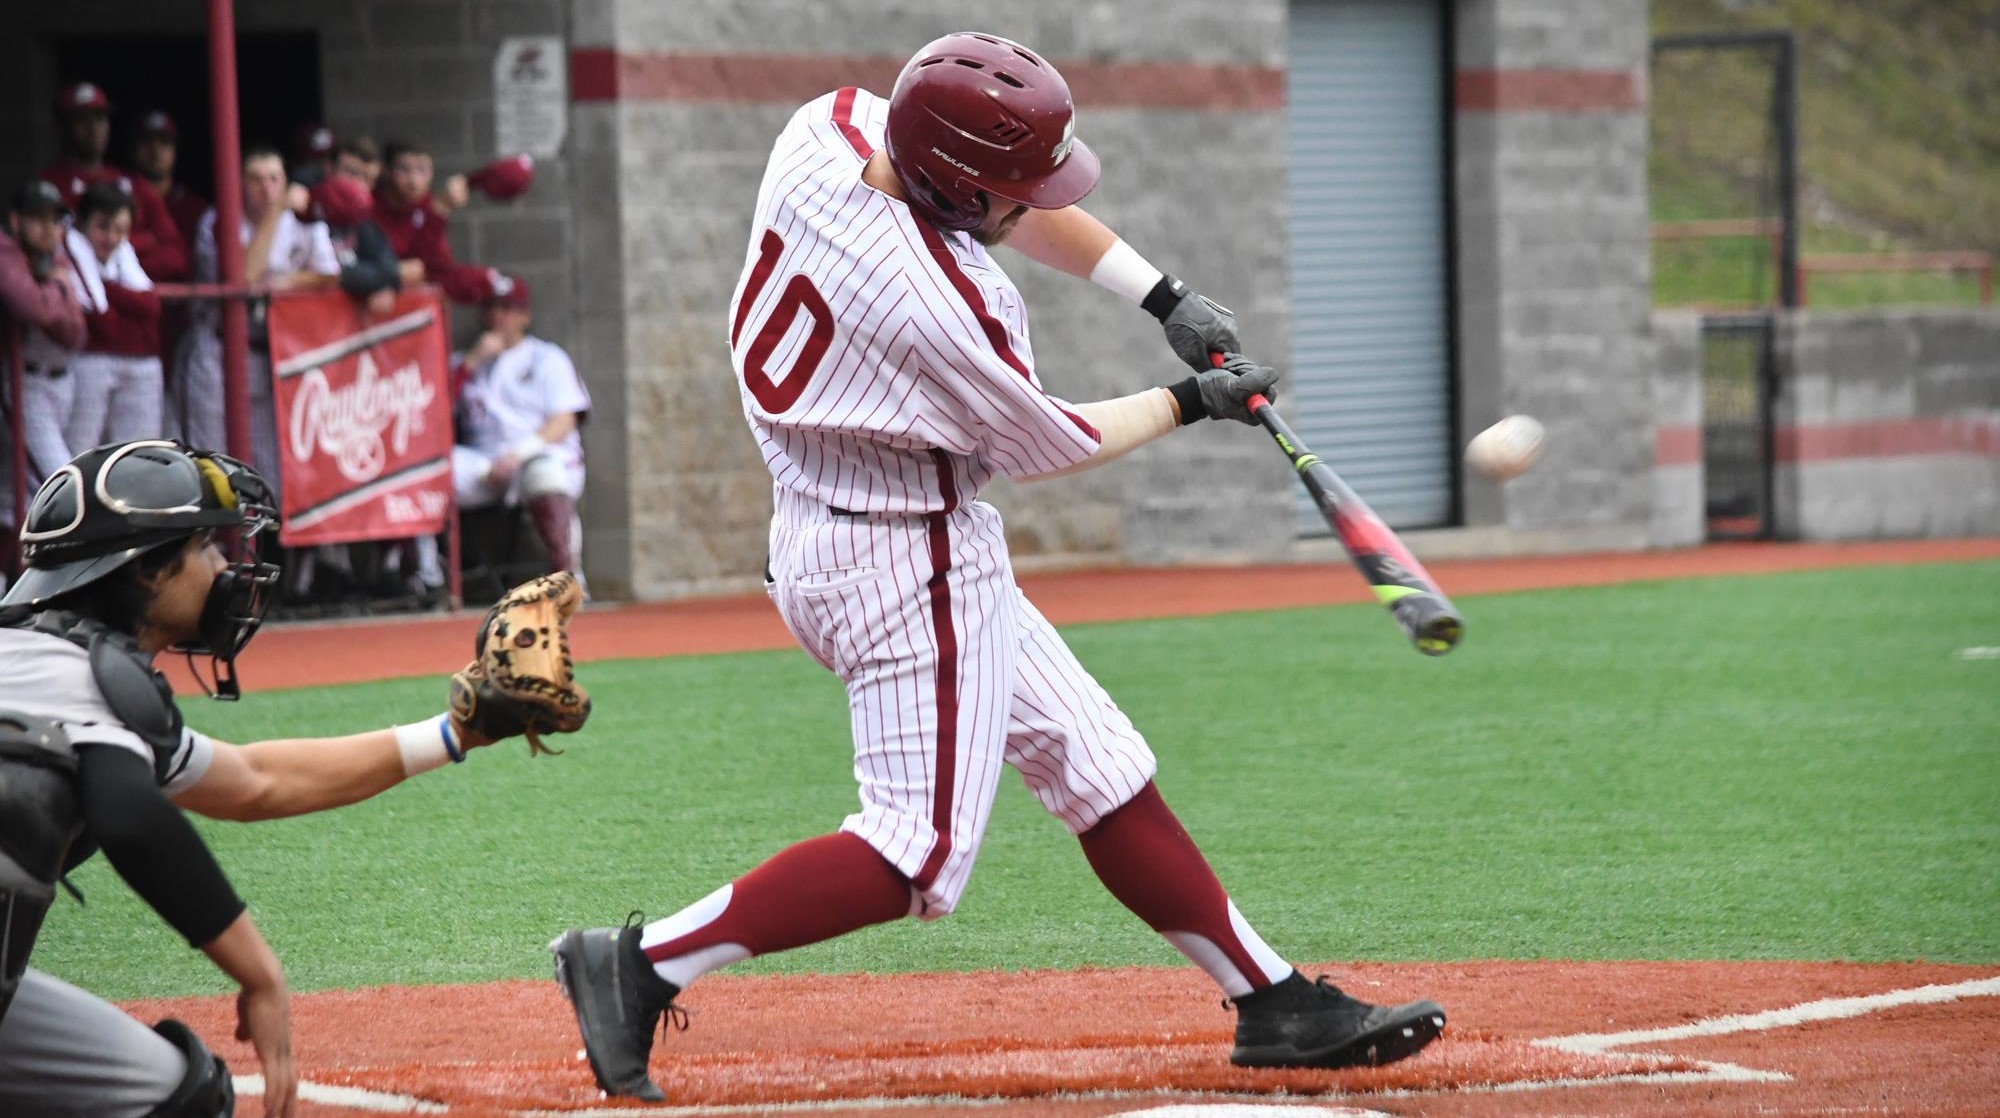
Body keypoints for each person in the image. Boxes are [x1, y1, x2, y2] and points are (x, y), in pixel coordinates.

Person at [548, 32, 1447, 1103]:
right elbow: (1046, 444)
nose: (1028, 207)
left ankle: (1272, 1000)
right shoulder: (942, 303)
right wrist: (1189, 401)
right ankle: (637, 962)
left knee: (1092, 759)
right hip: (904, 558)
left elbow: (996, 198)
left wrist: (1159, 295)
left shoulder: (824, 132)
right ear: (954, 191)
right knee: (913, 851)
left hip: (830, 526)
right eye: (1009, 193)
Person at [0, 439, 515, 1118]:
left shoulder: (44, 664)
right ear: (151, 569)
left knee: (173, 1093)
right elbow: (131, 816)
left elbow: (255, 782)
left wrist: (455, 733)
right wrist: (261, 976)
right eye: (207, 548)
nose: (225, 567)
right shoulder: (78, 680)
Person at [177, 147, 340, 497]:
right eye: (256, 179)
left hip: (270, 353)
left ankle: (256, 549)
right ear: (240, 183)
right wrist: (276, 213)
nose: (266, 189)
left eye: (274, 179)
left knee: (267, 470)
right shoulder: (220, 219)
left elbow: (330, 275)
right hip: (217, 350)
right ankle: (217, 547)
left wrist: (288, 282)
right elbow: (246, 276)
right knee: (214, 464)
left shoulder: (304, 219)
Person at [413, 275, 589, 596]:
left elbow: (564, 420)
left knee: (544, 473)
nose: (499, 316)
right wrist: (471, 362)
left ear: (525, 315)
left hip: (539, 456)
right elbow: (429, 416)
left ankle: (568, 579)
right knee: (424, 472)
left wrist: (518, 455)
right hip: (485, 463)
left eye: (508, 309)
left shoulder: (546, 358)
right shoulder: (464, 363)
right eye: (492, 308)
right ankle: (427, 576)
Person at [38, 82, 188, 285]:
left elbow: (176, 257)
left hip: (134, 299)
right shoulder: (49, 185)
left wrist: (119, 256)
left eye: (99, 118)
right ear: (63, 126)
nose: (94, 129)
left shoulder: (135, 184)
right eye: (82, 120)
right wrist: (143, 243)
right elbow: (55, 253)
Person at [1, 180, 89, 515]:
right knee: (62, 479)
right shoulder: (6, 250)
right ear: (16, 220)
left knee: (14, 495)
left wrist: (52, 294)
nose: (48, 229)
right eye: (37, 219)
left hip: (61, 382)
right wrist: (57, 287)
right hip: (23, 383)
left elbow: (75, 332)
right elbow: (32, 308)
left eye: (54, 220)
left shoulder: (58, 258)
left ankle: (15, 567)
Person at [66, 183, 164, 451]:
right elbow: (103, 322)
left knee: (140, 457)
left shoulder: (124, 252)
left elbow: (151, 306)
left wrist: (110, 290)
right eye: (102, 227)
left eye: (120, 229)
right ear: (82, 222)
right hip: (89, 363)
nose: (111, 238)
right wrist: (125, 302)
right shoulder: (69, 248)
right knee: (80, 455)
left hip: (140, 365)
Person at [372, 140, 494, 304]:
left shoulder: (429, 206)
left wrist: (440, 211)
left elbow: (437, 265)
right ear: (386, 171)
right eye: (404, 170)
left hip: (412, 306)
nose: (414, 181)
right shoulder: (370, 205)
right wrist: (392, 272)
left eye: (423, 170)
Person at [128, 110, 208, 250]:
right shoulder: (123, 200)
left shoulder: (194, 207)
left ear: (175, 150)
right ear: (133, 149)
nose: (156, 150)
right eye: (147, 141)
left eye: (164, 141)